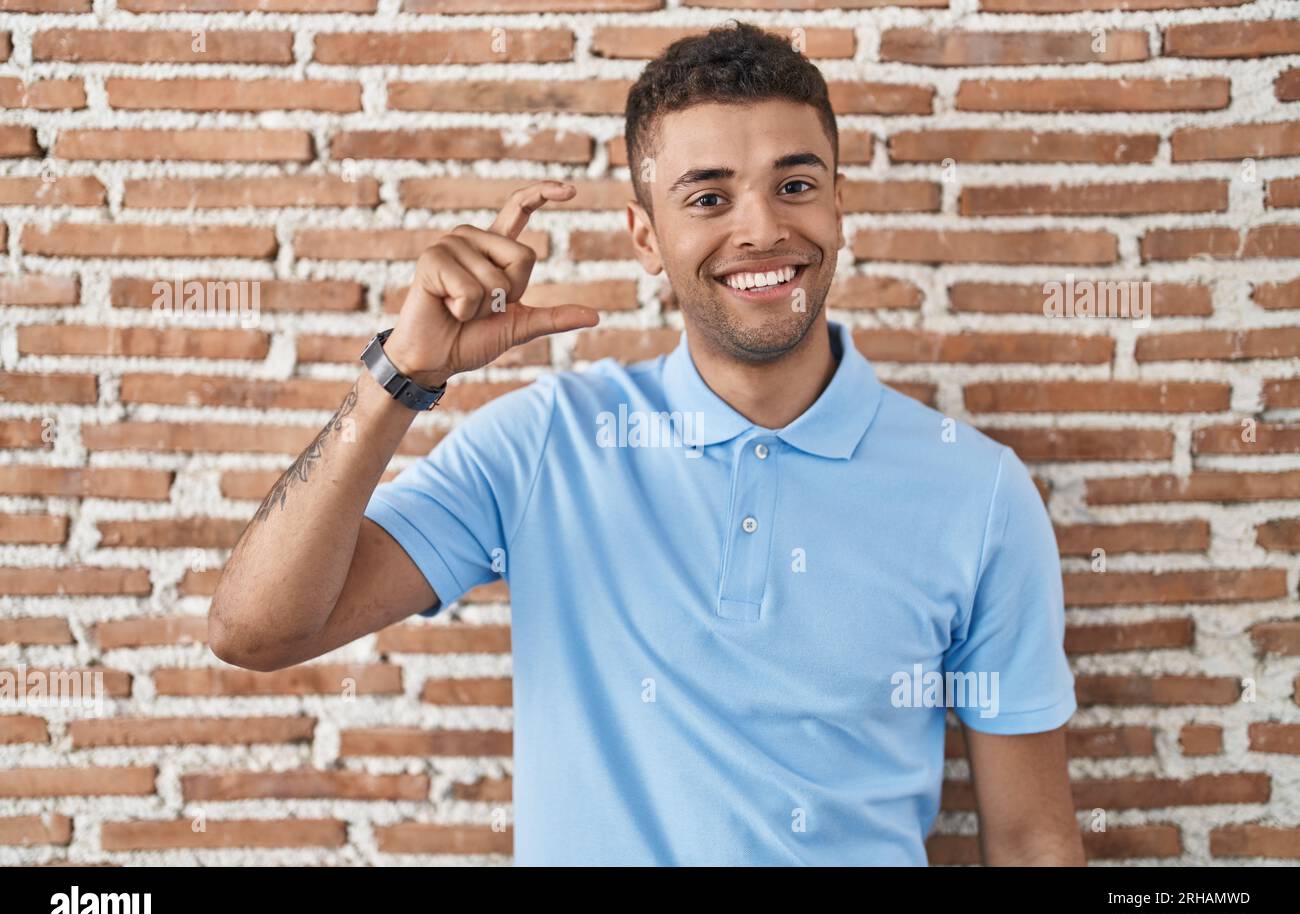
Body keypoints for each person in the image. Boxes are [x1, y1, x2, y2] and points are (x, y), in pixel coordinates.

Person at [209, 21, 1083, 867]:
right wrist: (399, 376)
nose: (762, 230)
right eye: (708, 197)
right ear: (644, 237)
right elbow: (256, 631)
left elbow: (1031, 842)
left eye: (796, 184)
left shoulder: (979, 491)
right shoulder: (544, 442)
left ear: (840, 203)